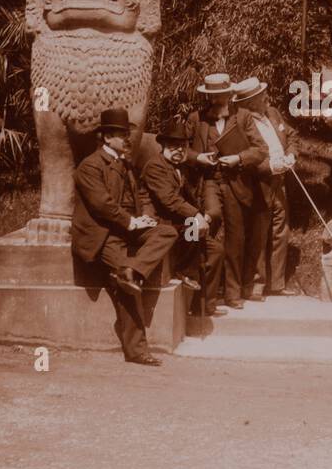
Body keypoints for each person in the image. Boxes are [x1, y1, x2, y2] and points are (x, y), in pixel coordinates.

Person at [71, 108, 178, 366]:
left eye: (128, 134)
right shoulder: (90, 166)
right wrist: (131, 221)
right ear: (107, 137)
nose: (128, 139)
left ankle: (133, 270)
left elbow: (140, 196)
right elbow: (102, 205)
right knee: (127, 287)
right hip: (104, 234)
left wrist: (147, 217)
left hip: (127, 228)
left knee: (167, 231)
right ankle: (136, 350)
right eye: (122, 135)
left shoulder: (125, 163)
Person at [186, 72, 267, 311]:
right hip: (209, 182)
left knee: (235, 239)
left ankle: (232, 293)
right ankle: (206, 300)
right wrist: (198, 157)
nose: (217, 102)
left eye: (221, 96)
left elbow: (260, 150)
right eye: (212, 97)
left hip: (237, 184)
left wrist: (238, 158)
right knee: (209, 236)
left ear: (229, 95)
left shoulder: (243, 117)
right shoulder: (196, 119)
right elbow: (179, 149)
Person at [141, 115, 225, 318]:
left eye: (183, 146)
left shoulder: (182, 168)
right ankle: (185, 271)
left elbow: (191, 197)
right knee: (193, 231)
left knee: (216, 250)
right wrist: (196, 216)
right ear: (163, 146)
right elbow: (170, 200)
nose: (179, 150)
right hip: (160, 224)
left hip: (181, 222)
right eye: (173, 146)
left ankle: (203, 305)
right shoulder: (155, 166)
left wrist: (204, 214)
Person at [234, 76, 298, 300]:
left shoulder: (273, 113)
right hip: (259, 184)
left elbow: (290, 135)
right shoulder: (241, 123)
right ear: (251, 102)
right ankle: (256, 285)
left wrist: (290, 154)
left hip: (279, 182)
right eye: (262, 95)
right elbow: (247, 157)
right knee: (259, 234)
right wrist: (271, 165)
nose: (266, 97)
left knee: (281, 230)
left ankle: (277, 284)